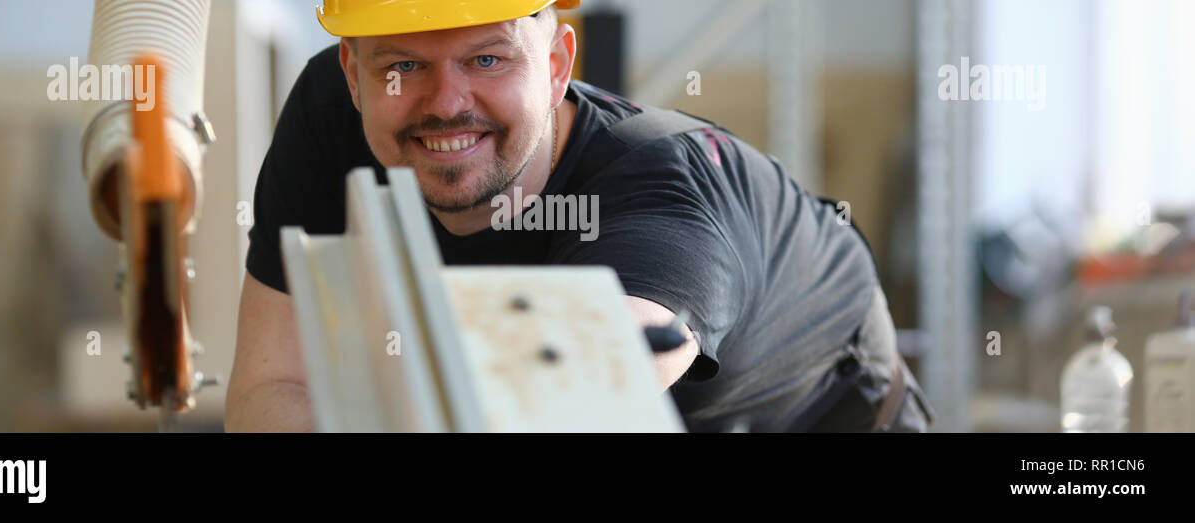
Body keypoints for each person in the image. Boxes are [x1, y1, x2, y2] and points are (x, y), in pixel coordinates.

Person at [224, 0, 934, 432]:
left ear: (559, 63)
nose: (446, 101)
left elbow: (575, 391)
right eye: (403, 65)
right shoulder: (329, 116)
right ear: (351, 71)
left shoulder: (658, 198)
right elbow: (265, 395)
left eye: (487, 58)